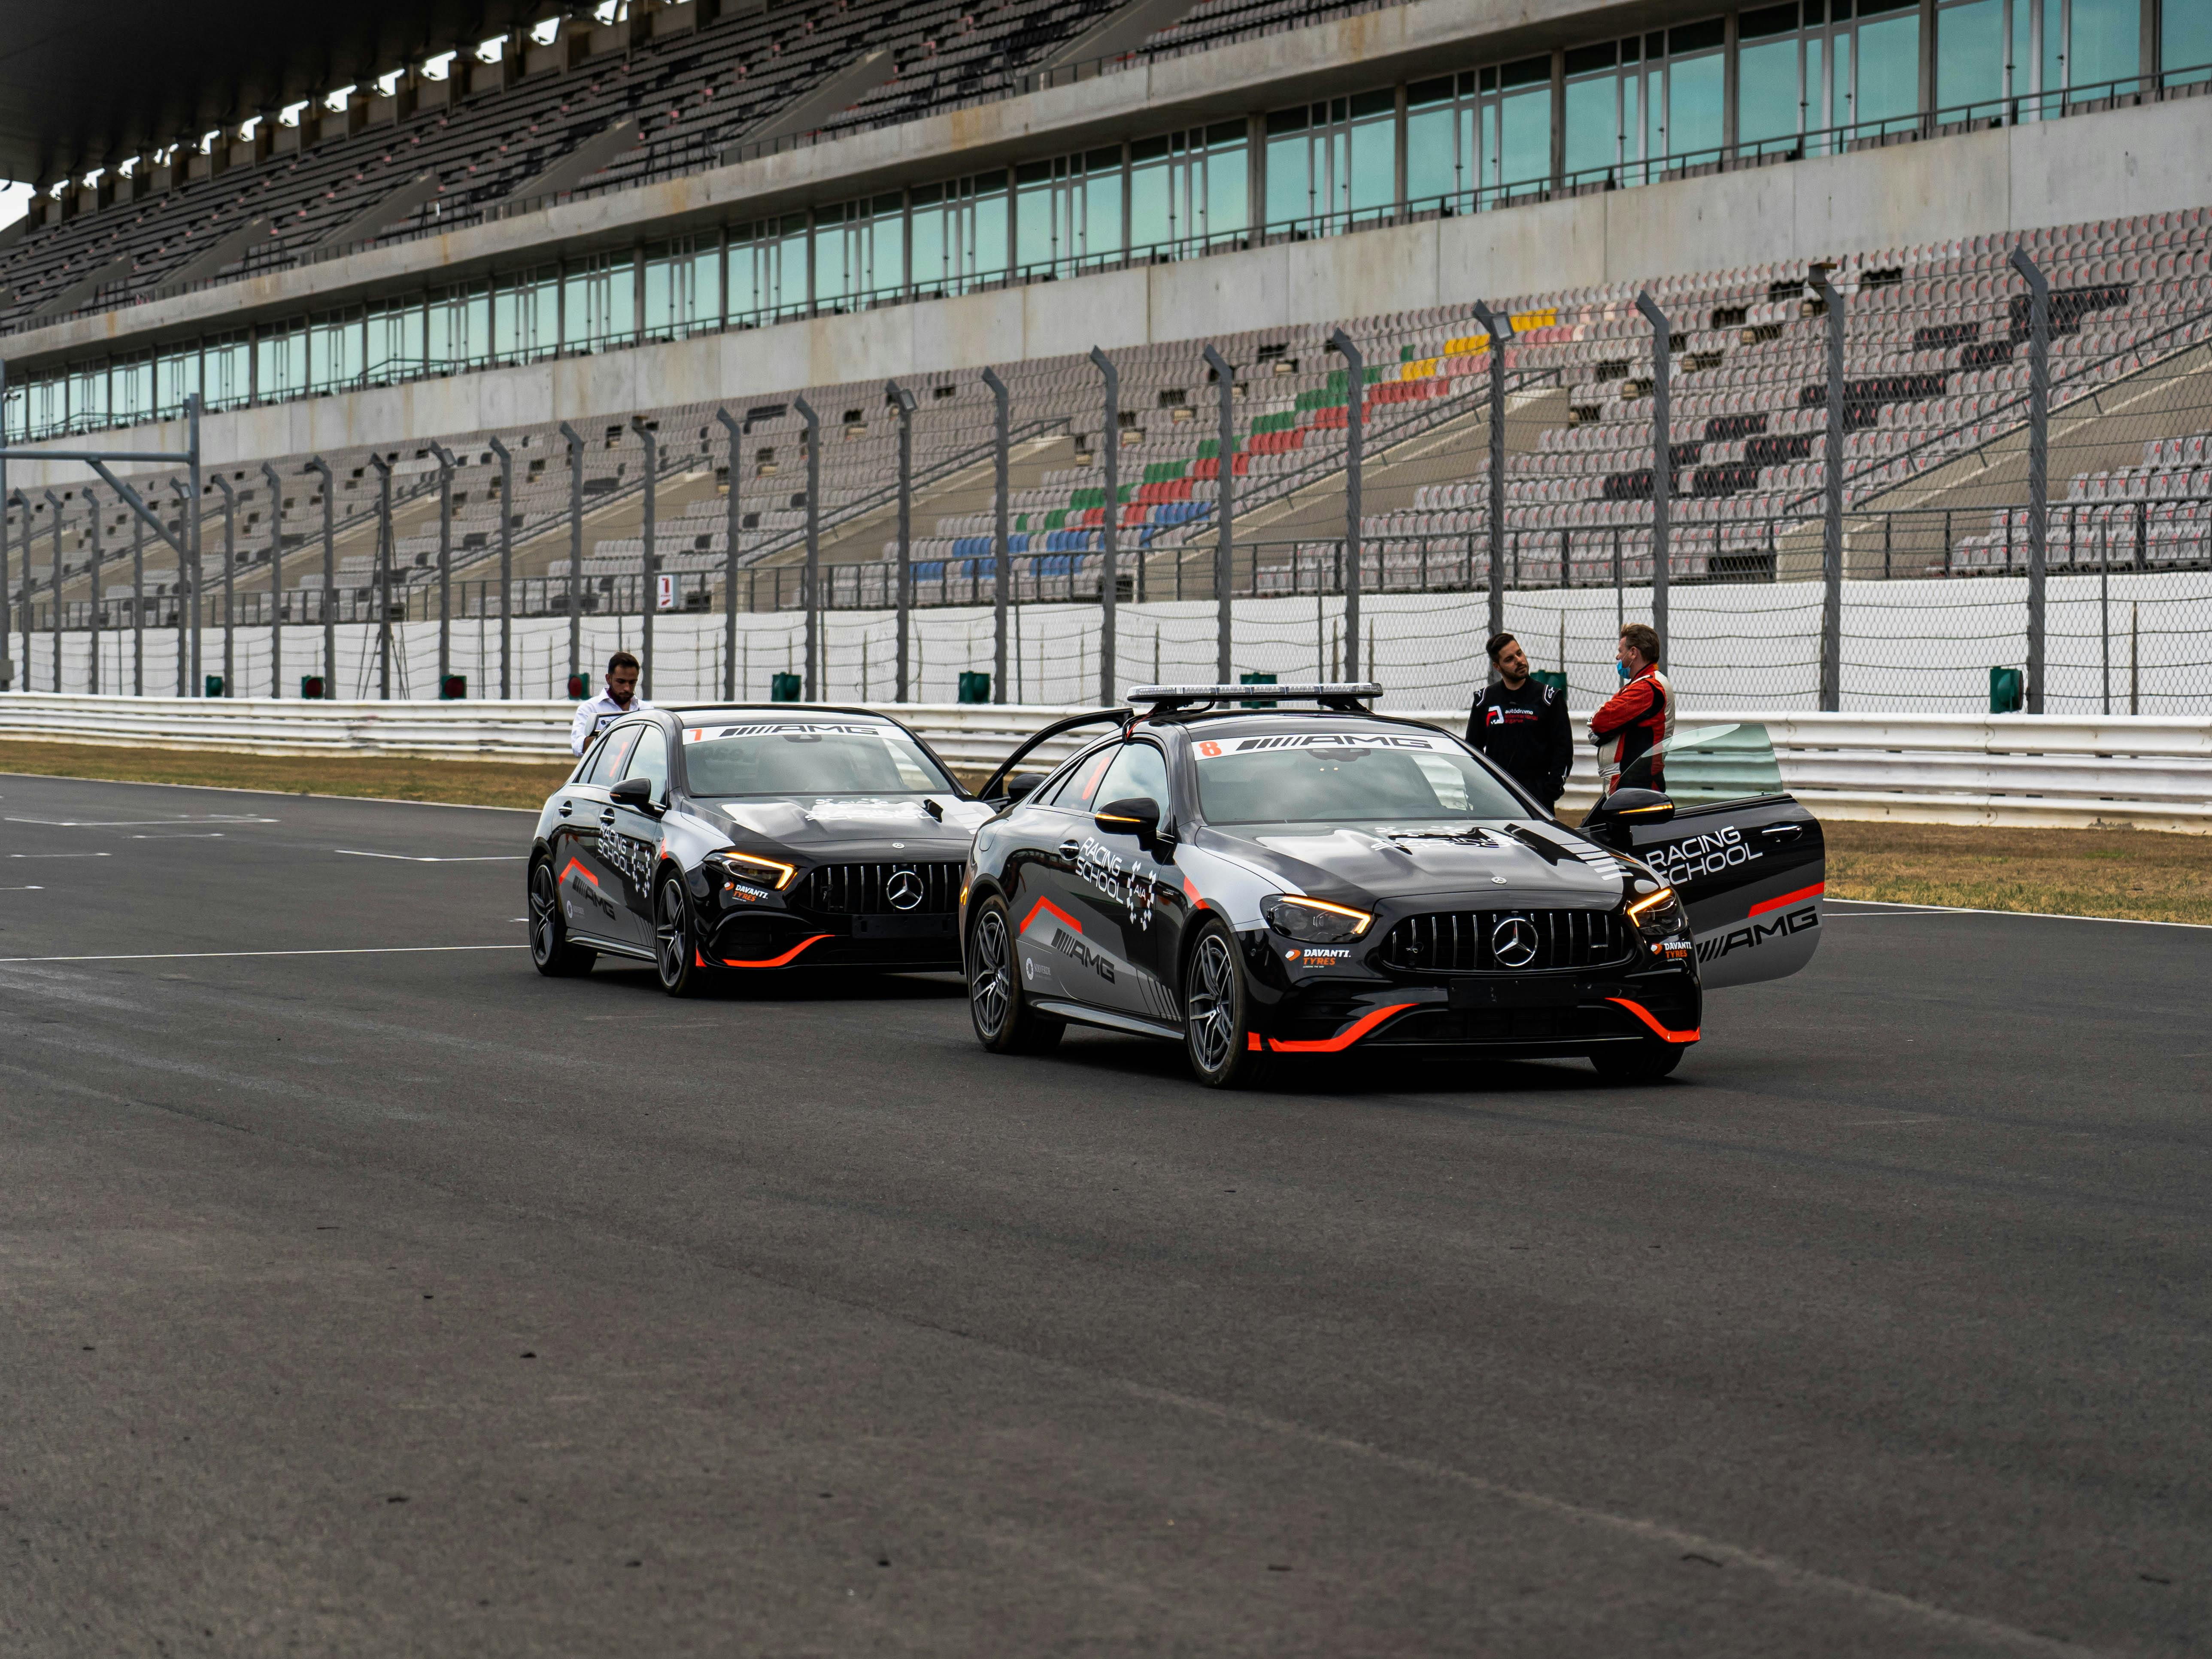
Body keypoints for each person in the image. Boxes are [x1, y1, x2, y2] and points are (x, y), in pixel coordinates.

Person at [1465, 632, 1572, 810]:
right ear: (1497, 667)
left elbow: (1564, 750)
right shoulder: (1484, 700)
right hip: (1495, 796)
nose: (1519, 661)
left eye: (1519, 654)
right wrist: (1475, 791)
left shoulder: (1549, 698)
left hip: (1536, 799)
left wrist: (1551, 791)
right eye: (1509, 659)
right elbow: (1472, 751)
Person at [1590, 623, 1673, 795]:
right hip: (1628, 783)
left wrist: (1599, 720)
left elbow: (1600, 722)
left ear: (1633, 653)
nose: (1617, 657)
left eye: (1621, 651)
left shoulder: (1647, 687)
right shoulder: (1640, 684)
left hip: (1636, 786)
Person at [570, 651, 655, 755]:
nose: (627, 688)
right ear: (609, 679)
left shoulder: (647, 710)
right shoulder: (590, 709)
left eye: (632, 682)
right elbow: (578, 747)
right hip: (603, 771)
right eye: (621, 682)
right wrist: (611, 738)